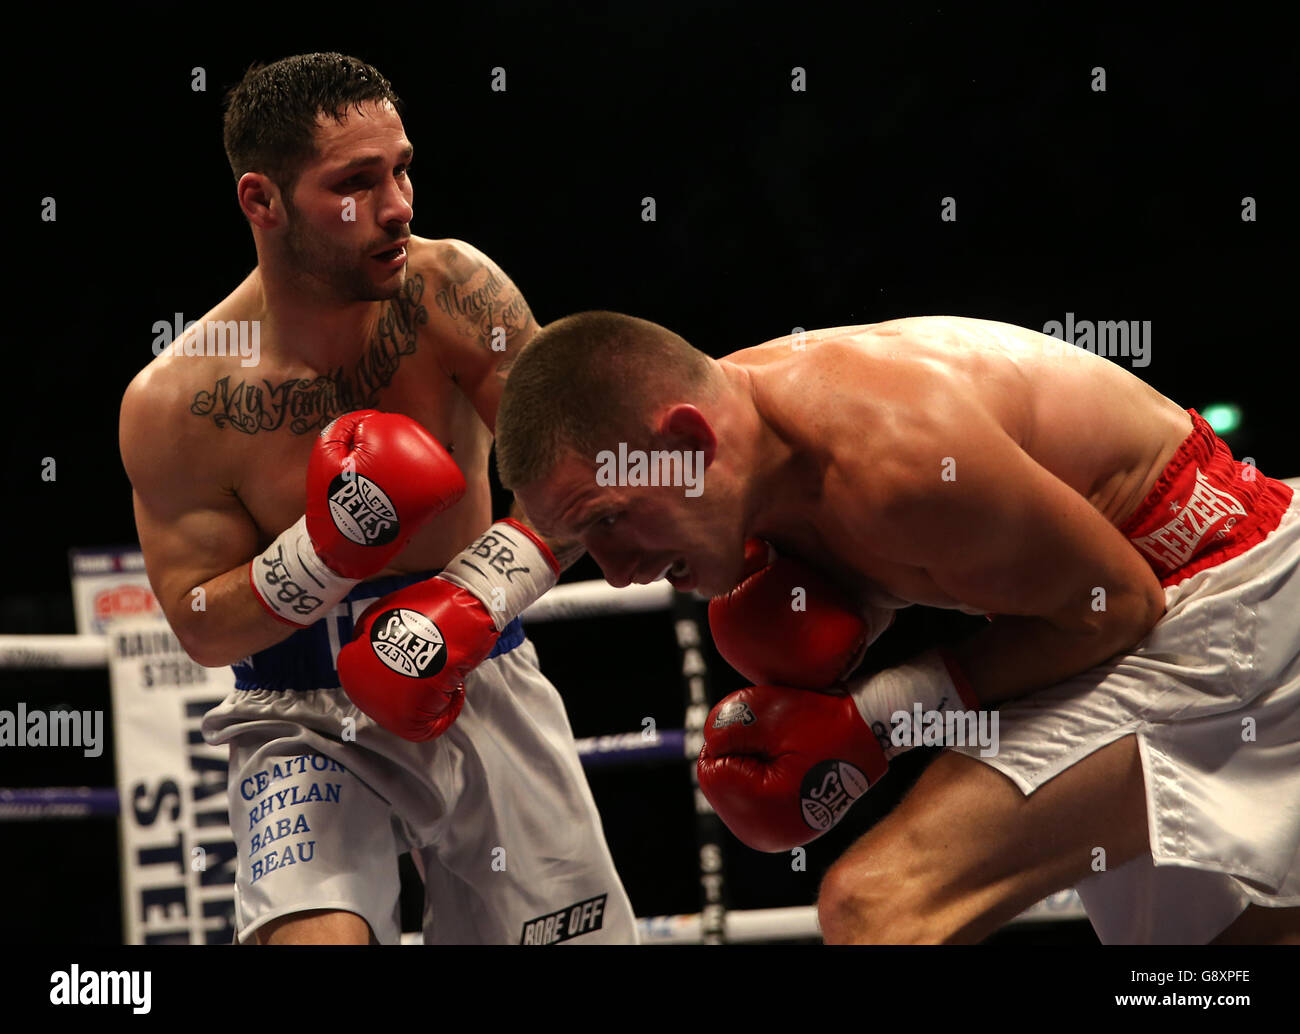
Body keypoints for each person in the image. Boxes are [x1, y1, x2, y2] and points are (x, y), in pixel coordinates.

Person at [495, 310, 1300, 944]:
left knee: (879, 908)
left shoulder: (894, 463)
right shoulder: (736, 423)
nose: (618, 568)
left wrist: (874, 718)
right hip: (1166, 594)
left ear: (686, 442)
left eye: (609, 523)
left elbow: (1117, 607)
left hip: (1212, 594)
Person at [118, 55, 636, 945]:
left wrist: (466, 602)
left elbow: (589, 473)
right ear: (261, 201)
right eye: (355, 183)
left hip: (481, 674)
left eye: (401, 168)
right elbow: (201, 623)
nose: (397, 204)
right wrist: (326, 547)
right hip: (299, 708)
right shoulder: (179, 402)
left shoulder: (457, 295)